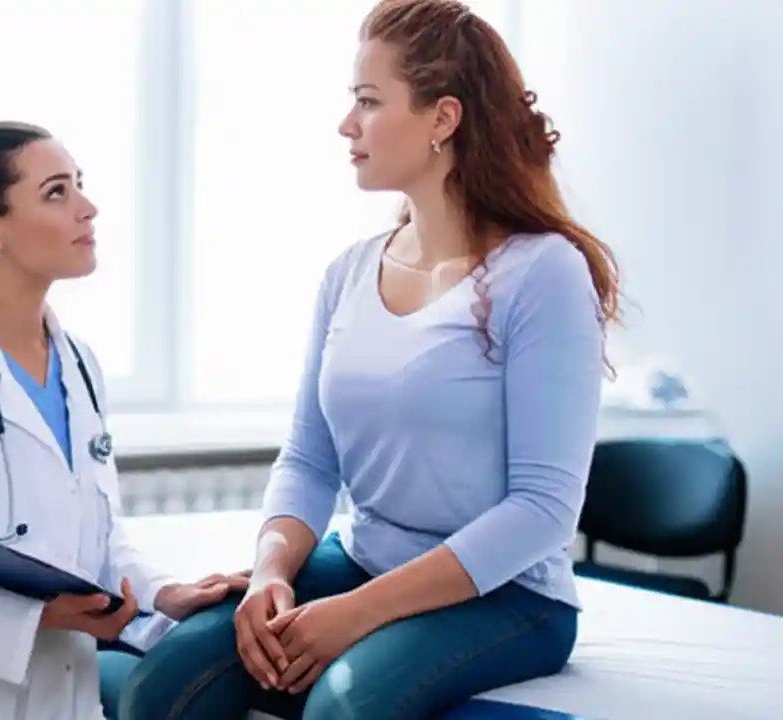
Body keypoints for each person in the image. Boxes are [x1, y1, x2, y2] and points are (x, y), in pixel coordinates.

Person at [118, 1, 621, 718]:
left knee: (342, 707)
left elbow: (541, 512)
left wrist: (357, 614)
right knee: (163, 682)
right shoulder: (349, 273)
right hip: (360, 557)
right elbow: (308, 459)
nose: (346, 125)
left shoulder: (543, 273)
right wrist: (271, 571)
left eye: (367, 102)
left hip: (507, 594)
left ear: (442, 119)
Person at [0, 121, 247, 720]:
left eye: (80, 185)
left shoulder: (79, 364)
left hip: (63, 693)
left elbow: (97, 537)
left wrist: (164, 592)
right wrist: (32, 617)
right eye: (57, 192)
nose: (88, 208)